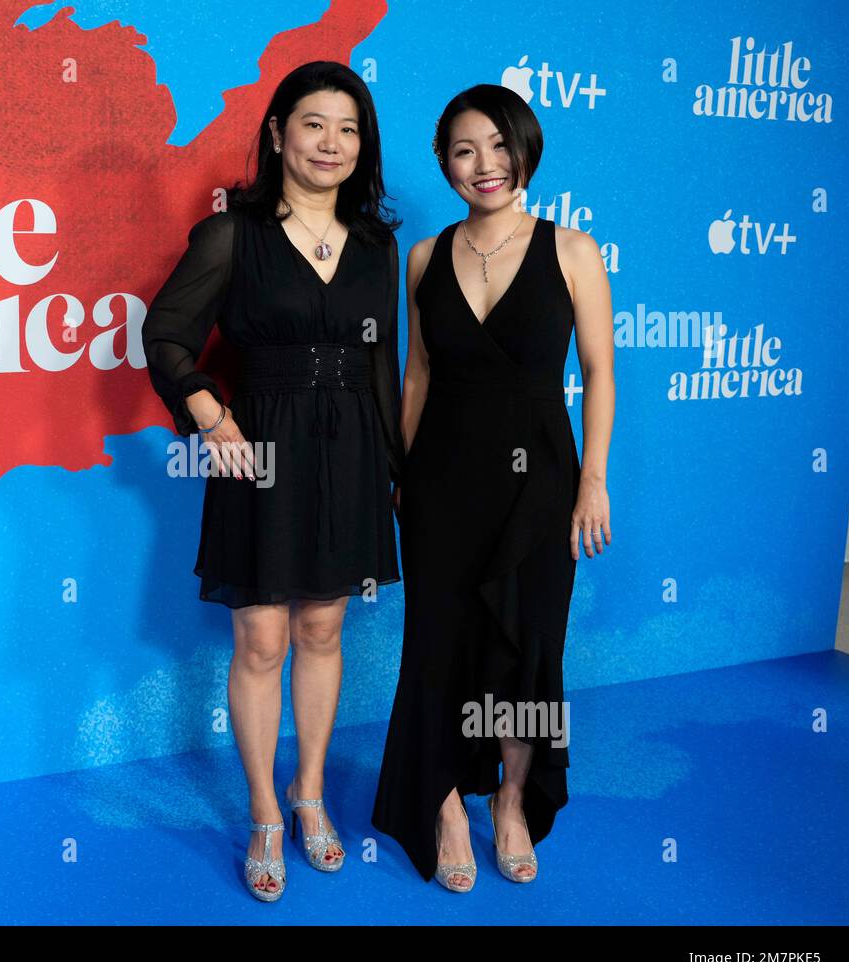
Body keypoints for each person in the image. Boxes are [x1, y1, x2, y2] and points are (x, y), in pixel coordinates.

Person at [142, 61, 405, 902]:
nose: (331, 143)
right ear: (278, 134)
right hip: (265, 447)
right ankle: (263, 813)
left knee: (324, 629)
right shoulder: (233, 234)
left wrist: (396, 470)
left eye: (348, 129)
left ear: (362, 147)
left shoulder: (377, 244)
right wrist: (212, 418)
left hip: (354, 449)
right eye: (315, 124)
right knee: (262, 638)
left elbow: (384, 365)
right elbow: (166, 336)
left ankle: (310, 794)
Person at [371, 84, 615, 891]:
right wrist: (400, 479)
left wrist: (593, 482)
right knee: (438, 646)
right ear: (444, 161)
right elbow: (418, 378)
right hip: (441, 483)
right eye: (465, 149)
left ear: (525, 152)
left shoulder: (573, 250)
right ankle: (442, 803)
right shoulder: (423, 258)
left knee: (529, 647)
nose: (485, 164)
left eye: (500, 146)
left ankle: (511, 801)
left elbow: (601, 374)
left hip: (541, 479)